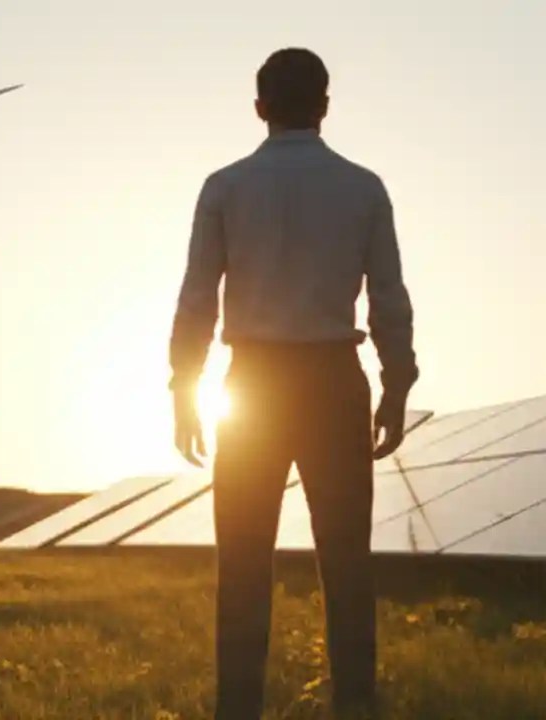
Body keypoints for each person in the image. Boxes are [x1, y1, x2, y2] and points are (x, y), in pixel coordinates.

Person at [167, 47, 418, 719]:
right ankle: (356, 705)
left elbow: (197, 297)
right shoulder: (365, 188)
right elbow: (388, 299)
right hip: (336, 382)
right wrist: (397, 384)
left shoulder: (223, 187)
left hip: (250, 387)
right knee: (346, 561)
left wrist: (183, 386)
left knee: (243, 565)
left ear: (259, 109)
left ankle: (238, 709)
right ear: (326, 106)